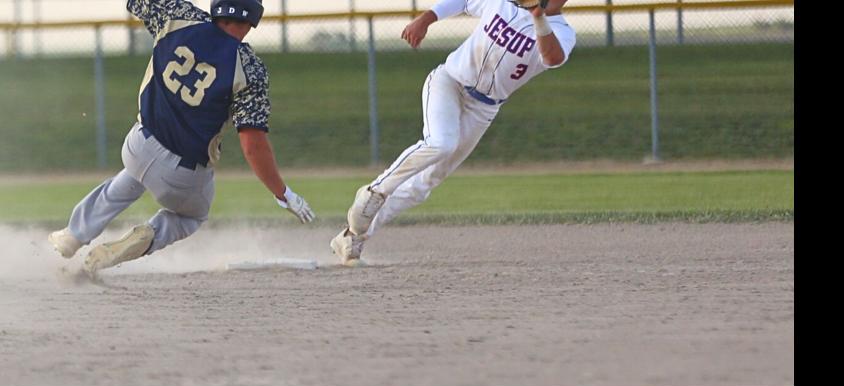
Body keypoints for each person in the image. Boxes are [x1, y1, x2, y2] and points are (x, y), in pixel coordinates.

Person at [48, 0, 315, 276]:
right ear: (253, 17)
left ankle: (75, 233)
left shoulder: (179, 15)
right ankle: (149, 234)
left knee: (132, 176)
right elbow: (253, 144)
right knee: (191, 217)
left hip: (138, 143)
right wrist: (283, 194)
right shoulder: (250, 67)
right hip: (182, 176)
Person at [331, 0, 576, 266]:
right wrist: (425, 20)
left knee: (423, 185)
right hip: (449, 82)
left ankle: (352, 236)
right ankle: (373, 192)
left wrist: (539, 16)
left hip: (484, 108)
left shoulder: (562, 31)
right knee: (441, 143)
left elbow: (552, 57)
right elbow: (463, 1)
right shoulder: (501, 5)